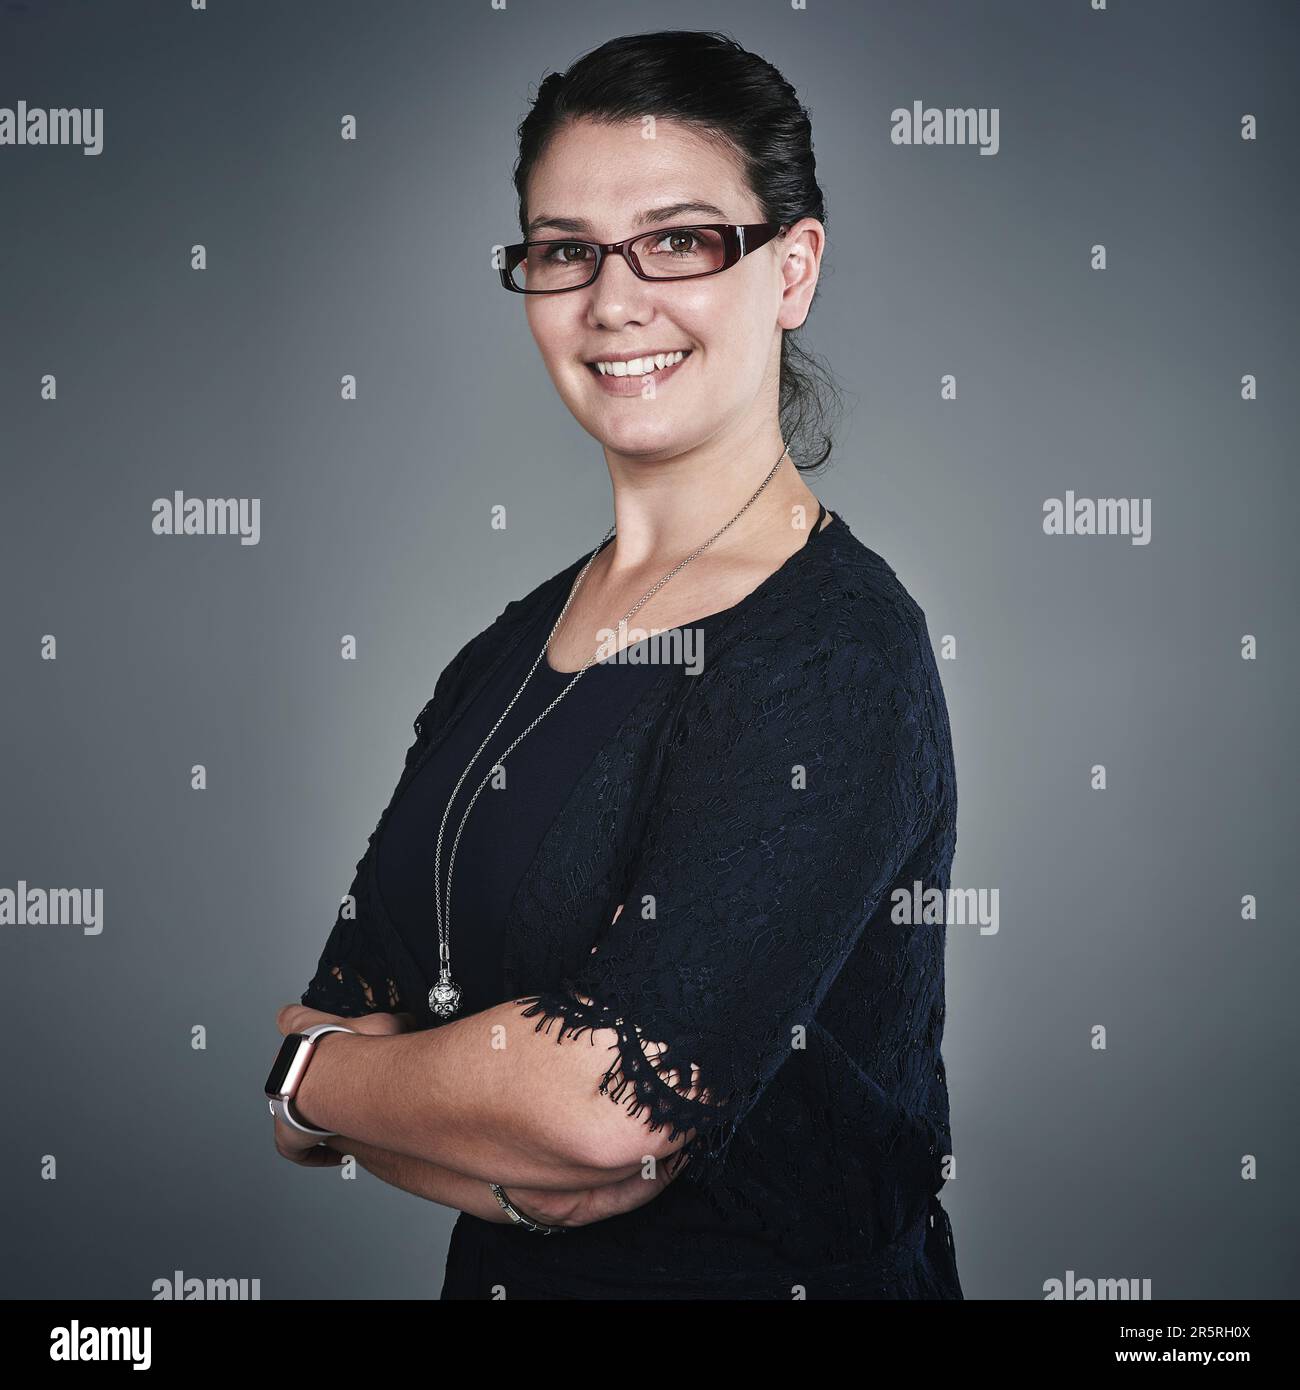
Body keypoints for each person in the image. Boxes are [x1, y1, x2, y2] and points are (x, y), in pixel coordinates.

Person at [270, 29, 963, 1301]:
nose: (613, 299)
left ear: (792, 268)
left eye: (681, 239)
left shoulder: (836, 654)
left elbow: (602, 1119)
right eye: (564, 248)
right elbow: (328, 1026)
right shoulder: (501, 649)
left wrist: (334, 1094)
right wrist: (348, 1091)